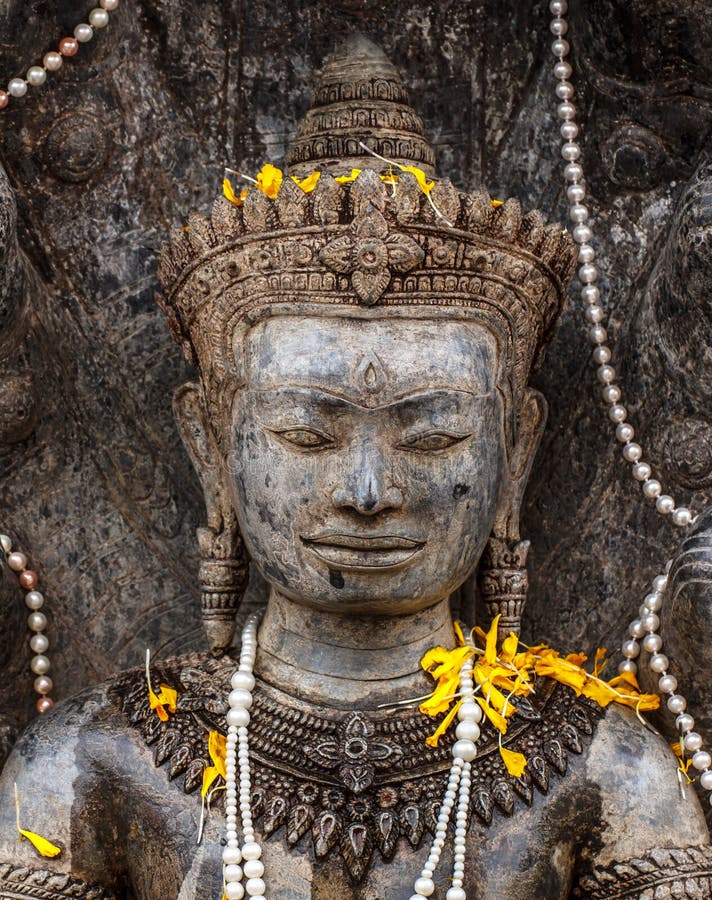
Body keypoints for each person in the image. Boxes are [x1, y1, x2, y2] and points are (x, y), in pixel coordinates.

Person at [0, 35, 709, 900]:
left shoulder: (610, 775)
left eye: (434, 437)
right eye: (307, 435)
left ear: (515, 455)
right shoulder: (91, 764)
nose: (369, 492)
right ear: (211, 448)